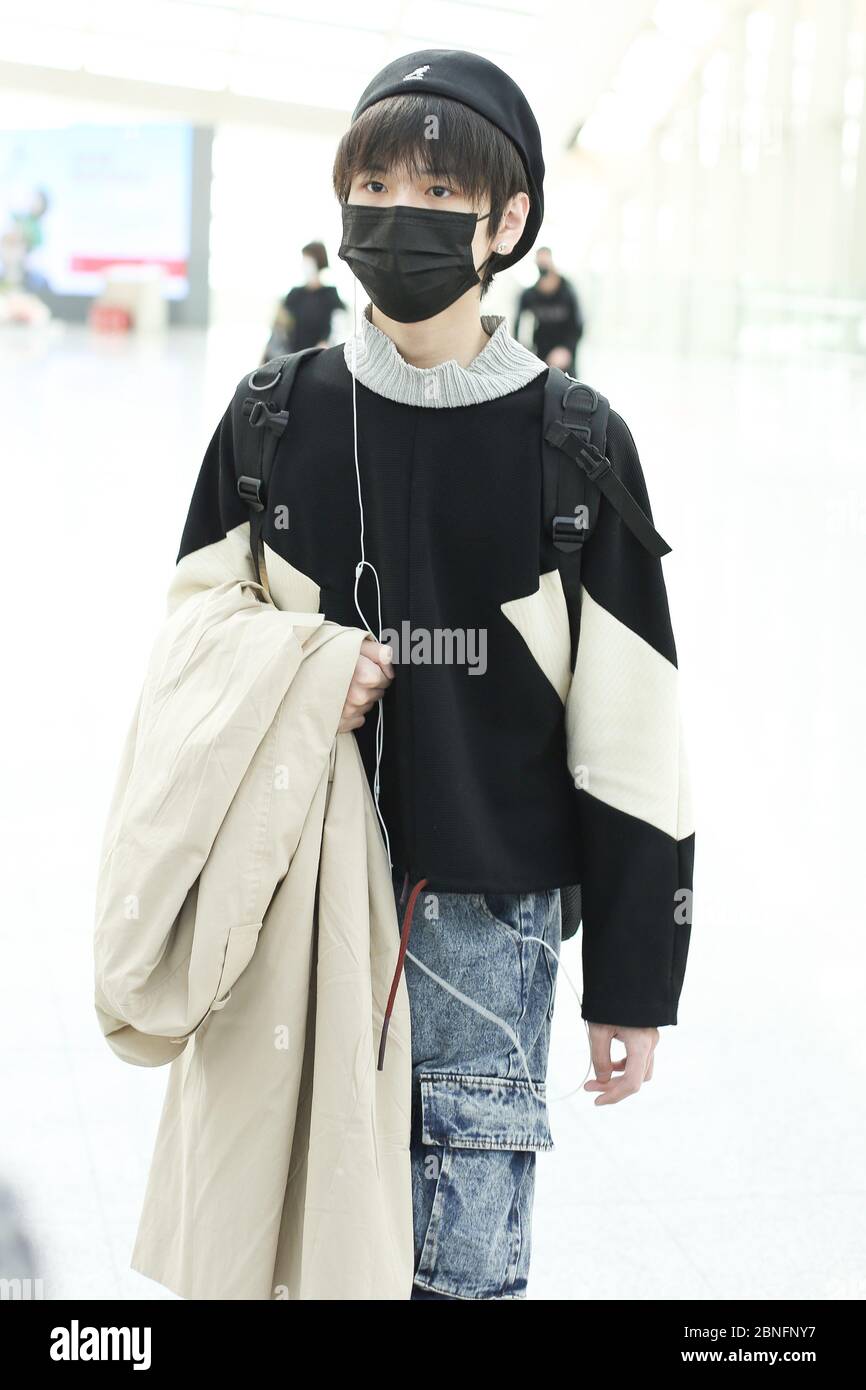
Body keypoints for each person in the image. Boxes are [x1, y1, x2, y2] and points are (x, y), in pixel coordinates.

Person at [174, 47, 695, 1300]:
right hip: (292, 897)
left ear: (507, 220)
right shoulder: (270, 421)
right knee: (284, 1256)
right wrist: (308, 665)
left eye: (436, 189)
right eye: (373, 183)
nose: (396, 213)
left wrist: (632, 980)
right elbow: (190, 638)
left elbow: (631, 729)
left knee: (456, 1275)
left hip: (484, 923)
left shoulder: (572, 445)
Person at [260, 239, 346, 362]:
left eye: (308, 259)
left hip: (319, 361)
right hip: (291, 361)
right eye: (304, 259)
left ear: (318, 261)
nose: (305, 264)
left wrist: (325, 347)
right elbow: (278, 330)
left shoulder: (330, 295)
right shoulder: (295, 294)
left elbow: (337, 330)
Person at [515, 244, 584, 376]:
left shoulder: (568, 291)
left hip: (565, 355)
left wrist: (566, 349)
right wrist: (521, 352)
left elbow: (578, 325)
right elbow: (518, 325)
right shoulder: (530, 294)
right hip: (542, 354)